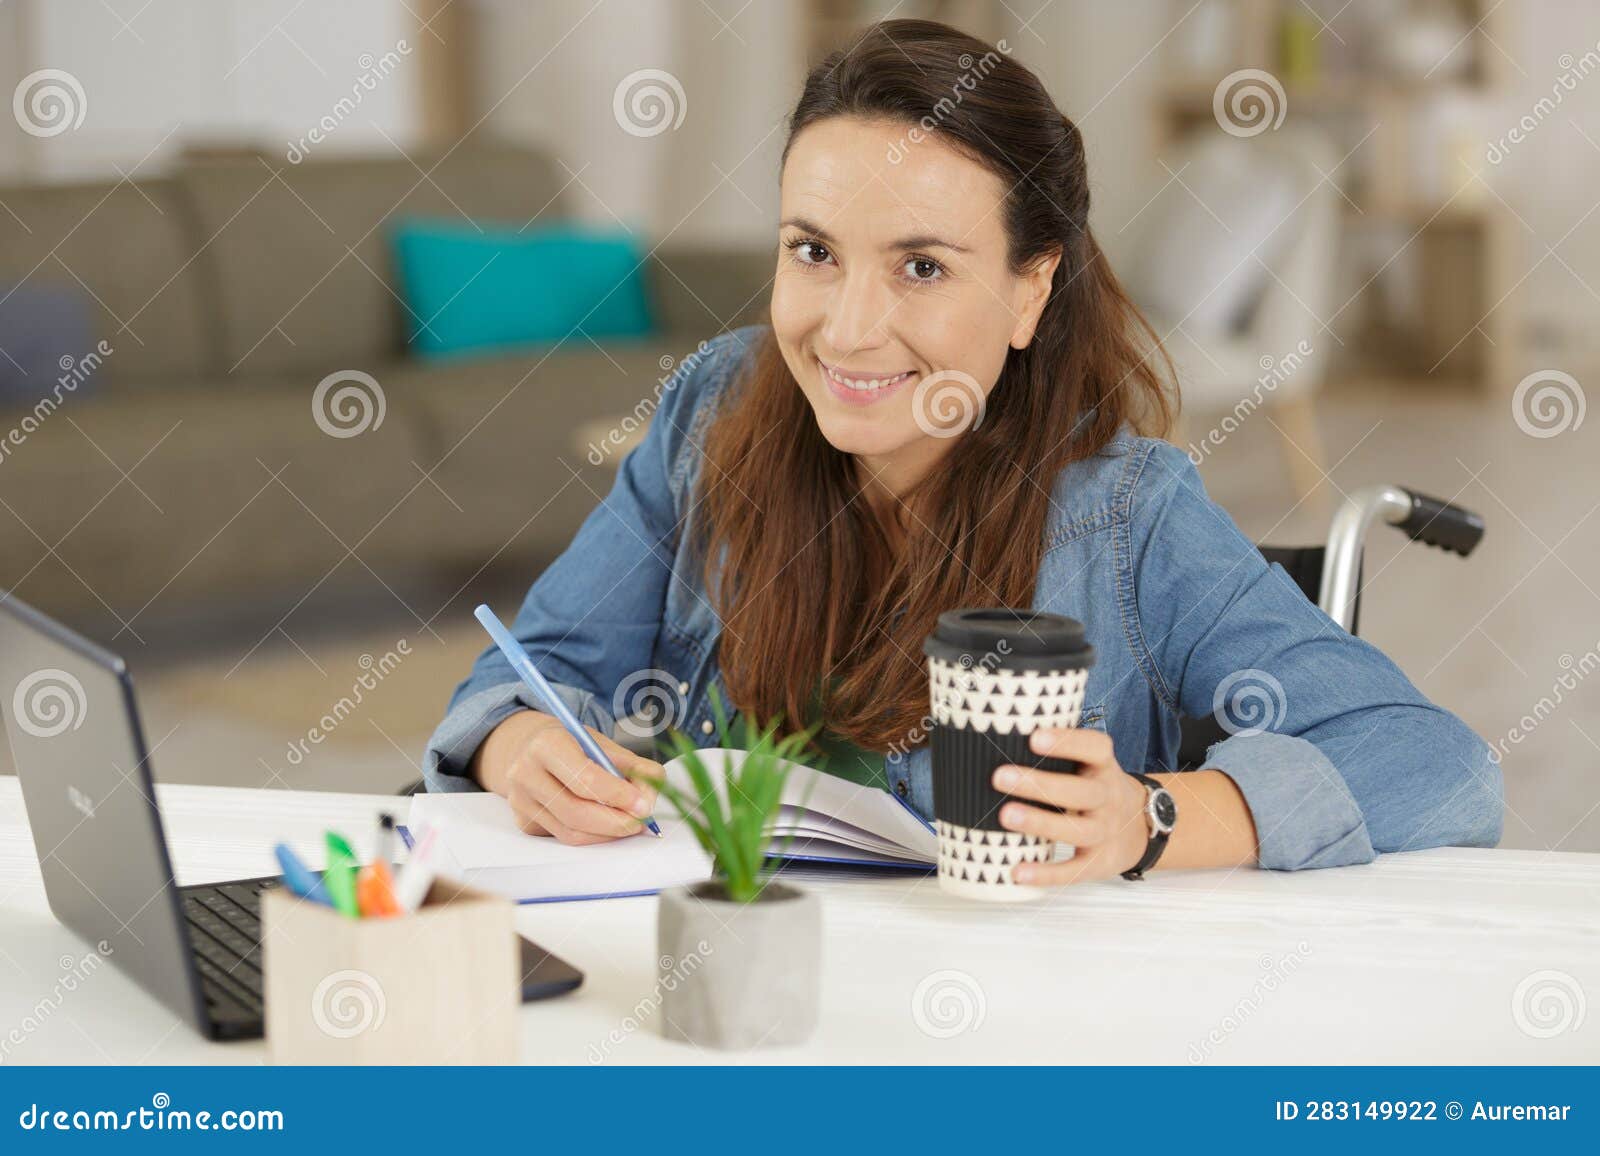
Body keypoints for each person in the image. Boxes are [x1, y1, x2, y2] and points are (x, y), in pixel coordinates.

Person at [424, 19, 1502, 885]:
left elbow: (1436, 765)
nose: (846, 329)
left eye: (922, 267)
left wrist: (1157, 815)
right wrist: (522, 749)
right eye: (813, 252)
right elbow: (534, 674)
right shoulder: (712, 410)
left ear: (1031, 288)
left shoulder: (1128, 515)